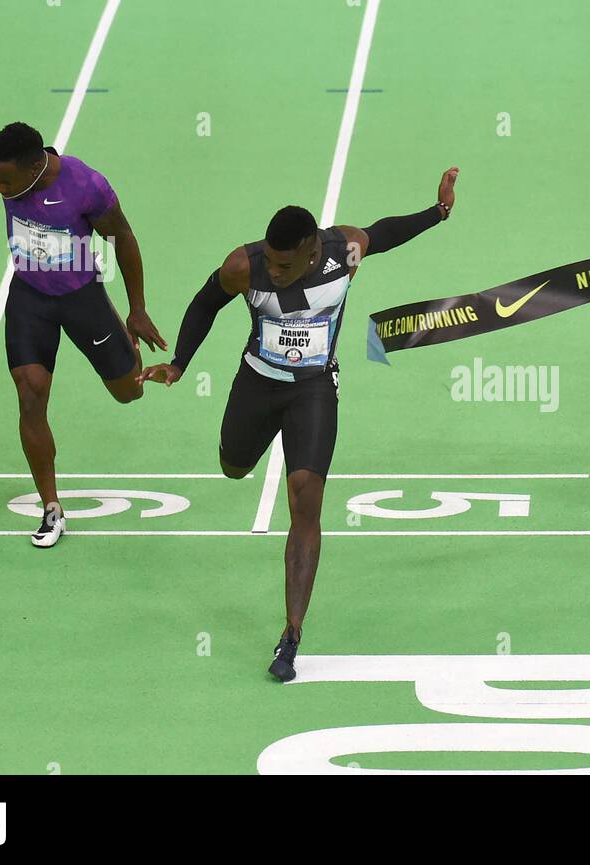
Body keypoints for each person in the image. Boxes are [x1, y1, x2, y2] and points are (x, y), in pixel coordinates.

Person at [140, 168, 459, 681]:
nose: (277, 270)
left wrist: (438, 212)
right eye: (272, 259)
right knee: (232, 467)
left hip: (312, 388)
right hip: (257, 382)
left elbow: (384, 232)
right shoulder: (244, 266)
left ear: (313, 250)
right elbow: (206, 301)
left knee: (305, 495)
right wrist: (179, 363)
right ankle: (242, 455)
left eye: (286, 263)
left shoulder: (344, 252)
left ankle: (290, 635)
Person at [0, 107, 167, 547]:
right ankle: (52, 507)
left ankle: (126, 351)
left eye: (7, 183)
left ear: (35, 167)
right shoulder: (0, 155)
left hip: (81, 298)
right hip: (30, 295)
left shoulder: (86, 187)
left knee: (129, 392)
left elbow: (122, 238)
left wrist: (137, 310)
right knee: (30, 394)